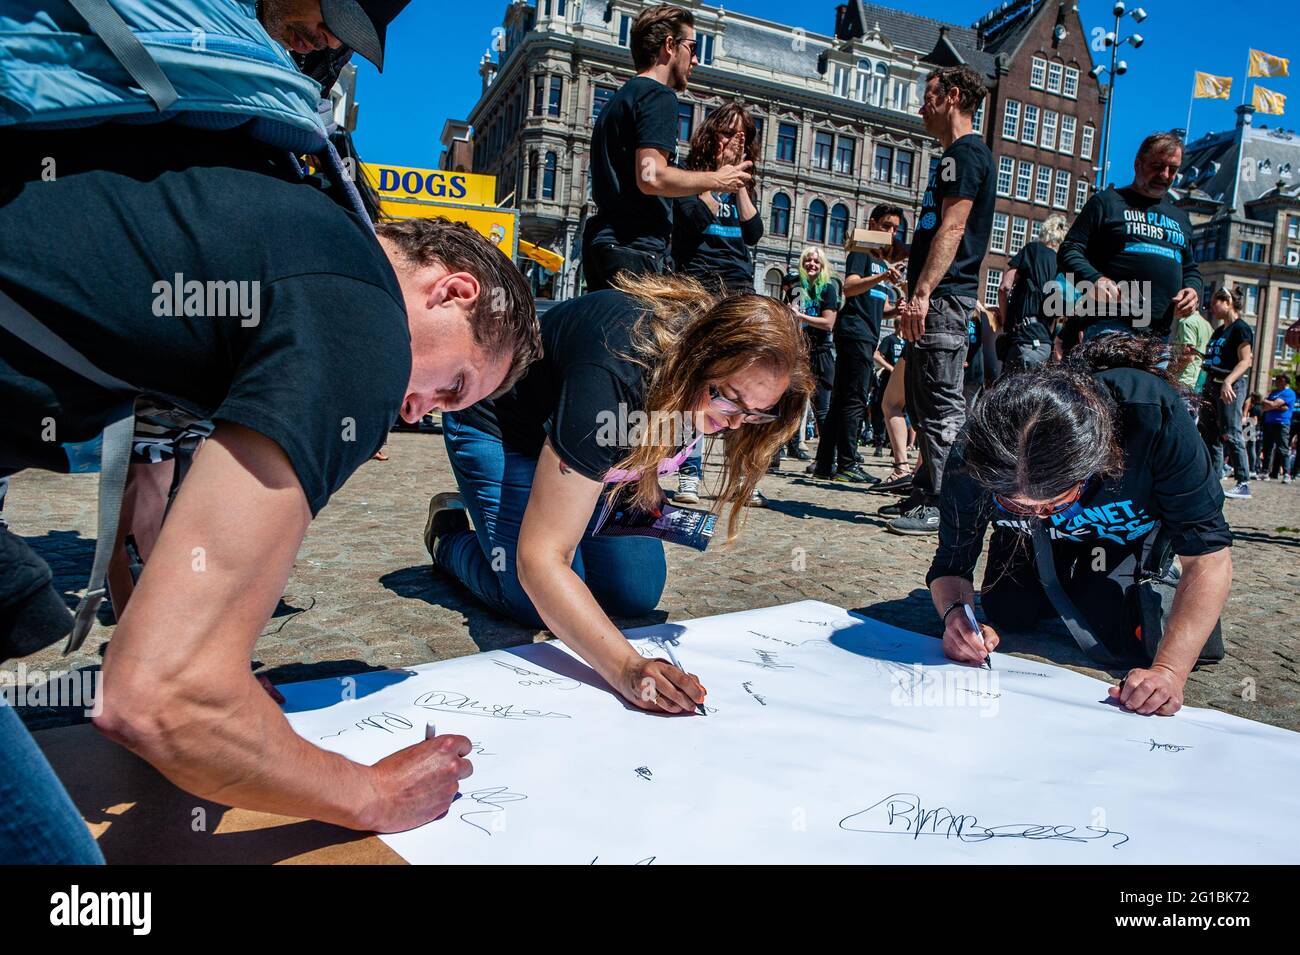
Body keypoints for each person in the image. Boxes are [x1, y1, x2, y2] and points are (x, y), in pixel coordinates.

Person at [1, 125, 542, 853]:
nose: (419, 410)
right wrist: (373, 793)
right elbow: (165, 697)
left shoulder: (286, 226)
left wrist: (212, 658)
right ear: (452, 289)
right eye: (453, 385)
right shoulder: (362, 312)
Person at [424, 275, 812, 715]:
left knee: (635, 591)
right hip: (504, 429)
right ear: (697, 362)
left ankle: (568, 506)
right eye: (729, 400)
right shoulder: (615, 376)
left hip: (584, 449)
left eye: (756, 413)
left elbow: (654, 434)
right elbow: (541, 559)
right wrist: (627, 668)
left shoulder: (702, 384)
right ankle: (449, 537)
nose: (737, 423)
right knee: (531, 597)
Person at [928, 336, 1232, 716]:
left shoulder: (1151, 415)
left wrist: (1169, 672)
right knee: (1009, 611)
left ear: (1097, 463)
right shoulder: (975, 453)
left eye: (1057, 501)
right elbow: (951, 566)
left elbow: (1208, 558)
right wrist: (956, 615)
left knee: (1124, 635)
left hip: (1118, 536)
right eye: (1017, 503)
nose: (1042, 513)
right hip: (1028, 544)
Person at [892, 65, 996, 535]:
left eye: (928, 96)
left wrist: (922, 295)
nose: (921, 106)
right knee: (921, 397)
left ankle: (945, 501)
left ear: (952, 97)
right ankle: (925, 488)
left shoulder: (966, 154)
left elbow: (954, 228)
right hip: (939, 296)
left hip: (945, 298)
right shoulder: (954, 156)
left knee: (940, 403)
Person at [581, 4, 751, 291]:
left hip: (605, 244)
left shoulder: (618, 100)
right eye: (693, 47)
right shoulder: (658, 96)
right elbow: (652, 177)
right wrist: (718, 179)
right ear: (670, 46)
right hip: (634, 249)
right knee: (644, 336)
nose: (696, 60)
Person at [671, 101, 764, 506]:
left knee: (742, 382)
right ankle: (688, 472)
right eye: (730, 133)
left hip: (738, 285)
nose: (735, 142)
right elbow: (687, 224)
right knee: (696, 382)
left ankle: (742, 474)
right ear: (714, 135)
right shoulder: (689, 176)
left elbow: (754, 231)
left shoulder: (743, 181)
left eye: (743, 136)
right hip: (698, 284)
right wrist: (716, 181)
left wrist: (740, 184)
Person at [1057, 132, 1201, 339]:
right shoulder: (1106, 202)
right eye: (1158, 166)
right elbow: (1069, 250)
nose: (1165, 175)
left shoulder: (1180, 218)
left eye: (1173, 170)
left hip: (1159, 334)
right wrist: (1094, 279)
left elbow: (1190, 268)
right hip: (1110, 325)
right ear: (1138, 164)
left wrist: (1193, 289)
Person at [813, 206, 905, 484]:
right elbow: (850, 287)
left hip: (865, 332)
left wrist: (894, 310)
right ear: (872, 224)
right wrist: (882, 277)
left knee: (842, 398)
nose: (890, 233)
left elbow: (878, 303)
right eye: (886, 226)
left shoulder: (878, 259)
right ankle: (848, 463)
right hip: (856, 333)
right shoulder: (862, 251)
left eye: (895, 229)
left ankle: (825, 462)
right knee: (854, 400)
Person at [1198, 286, 1254, 500]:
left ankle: (1243, 482)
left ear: (1228, 302)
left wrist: (1228, 381)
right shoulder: (1219, 331)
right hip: (1212, 384)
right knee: (1210, 433)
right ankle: (1213, 479)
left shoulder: (1240, 328)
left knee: (1231, 432)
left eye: (1215, 302)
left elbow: (1245, 361)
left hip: (1230, 386)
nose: (1212, 307)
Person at [997, 214, 1068, 372]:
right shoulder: (1061, 265)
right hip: (1043, 347)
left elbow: (1004, 288)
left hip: (1023, 341)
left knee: (1008, 394)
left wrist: (1006, 322)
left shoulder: (1032, 250)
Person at [790, 247, 841, 445]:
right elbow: (791, 315)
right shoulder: (797, 288)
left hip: (821, 352)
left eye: (816, 262)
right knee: (794, 402)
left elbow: (828, 323)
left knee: (822, 408)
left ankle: (826, 457)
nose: (812, 264)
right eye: (808, 261)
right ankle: (793, 446)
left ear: (822, 266)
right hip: (801, 352)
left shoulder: (828, 289)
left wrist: (801, 316)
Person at [1169, 307, 1212, 415]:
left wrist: (1168, 369)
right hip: (1198, 383)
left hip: (1182, 381)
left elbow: (1189, 355)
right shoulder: (1207, 325)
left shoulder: (1187, 322)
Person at [1261, 373, 1296, 482]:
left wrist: (1264, 401)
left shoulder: (1289, 393)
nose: (1275, 381)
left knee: (1282, 448)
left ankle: (1286, 474)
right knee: (1267, 448)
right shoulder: (1274, 393)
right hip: (1269, 423)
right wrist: (1277, 406)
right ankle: (1265, 472)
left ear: (1285, 381)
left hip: (1281, 423)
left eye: (1278, 380)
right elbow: (1264, 408)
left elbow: (1271, 405)